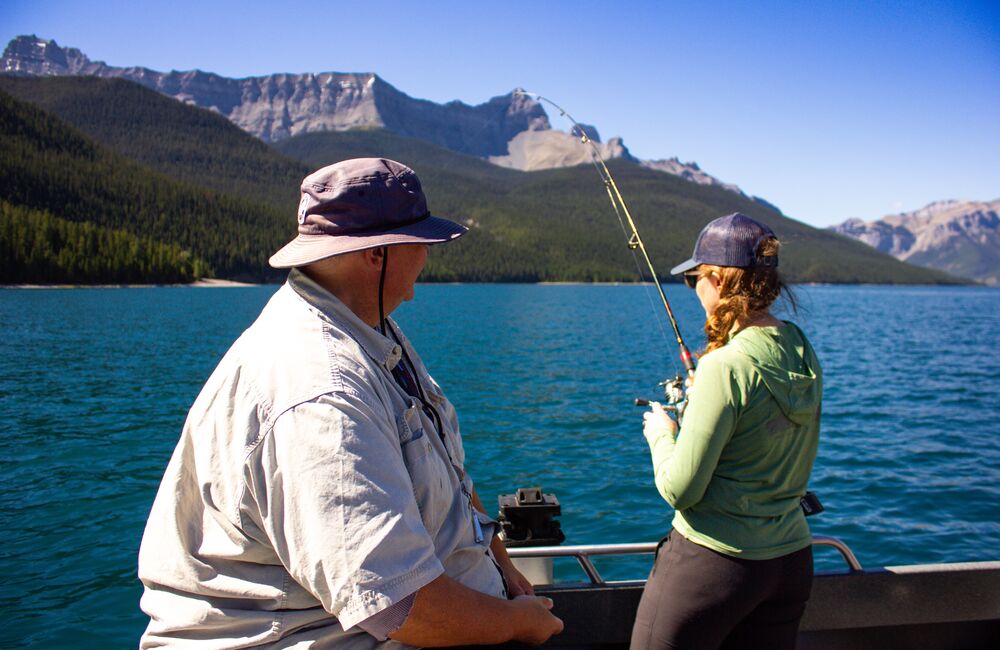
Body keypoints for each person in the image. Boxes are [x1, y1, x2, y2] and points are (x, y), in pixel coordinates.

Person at [138, 158, 563, 648]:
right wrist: (518, 624)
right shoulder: (322, 396)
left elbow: (444, 467)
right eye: (419, 242)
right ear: (377, 255)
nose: (427, 256)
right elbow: (398, 607)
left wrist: (501, 564)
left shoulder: (367, 327)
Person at [630, 213, 822, 650]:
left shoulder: (725, 365)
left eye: (694, 277)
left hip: (714, 566)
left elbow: (681, 490)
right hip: (791, 562)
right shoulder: (797, 343)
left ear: (716, 279)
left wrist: (662, 433)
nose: (694, 287)